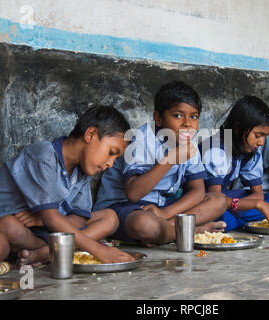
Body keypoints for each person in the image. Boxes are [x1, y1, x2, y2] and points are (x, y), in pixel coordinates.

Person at [0, 105, 135, 265]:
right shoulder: (43, 155)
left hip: (45, 233)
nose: (110, 164)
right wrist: (99, 250)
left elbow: (79, 217)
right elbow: (50, 217)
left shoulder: (83, 171)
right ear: (90, 134)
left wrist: (42, 220)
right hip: (7, 232)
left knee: (109, 218)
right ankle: (55, 250)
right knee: (7, 226)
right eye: (111, 153)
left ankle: (43, 253)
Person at [93, 81, 227, 245]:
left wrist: (165, 213)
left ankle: (166, 231)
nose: (187, 123)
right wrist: (170, 159)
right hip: (124, 208)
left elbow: (197, 191)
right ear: (158, 118)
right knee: (144, 224)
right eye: (178, 115)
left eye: (194, 116)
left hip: (160, 209)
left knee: (218, 200)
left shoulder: (188, 144)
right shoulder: (141, 139)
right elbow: (133, 193)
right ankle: (192, 230)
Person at [200, 96, 269, 232]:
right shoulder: (215, 149)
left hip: (228, 200)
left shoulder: (249, 150)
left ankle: (240, 219)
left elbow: (258, 193)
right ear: (238, 128)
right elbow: (215, 199)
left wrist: (256, 203)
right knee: (224, 219)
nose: (261, 142)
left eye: (265, 136)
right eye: (258, 135)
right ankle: (247, 220)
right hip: (206, 201)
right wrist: (257, 205)